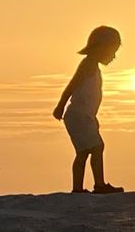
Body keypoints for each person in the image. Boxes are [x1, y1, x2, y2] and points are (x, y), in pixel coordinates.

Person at [53, 25, 124, 194]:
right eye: (112, 51)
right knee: (96, 148)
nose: (114, 56)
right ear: (101, 48)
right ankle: (98, 185)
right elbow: (72, 85)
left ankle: (78, 188)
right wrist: (60, 105)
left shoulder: (92, 66)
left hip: (84, 116)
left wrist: (92, 118)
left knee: (84, 152)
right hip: (78, 116)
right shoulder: (88, 65)